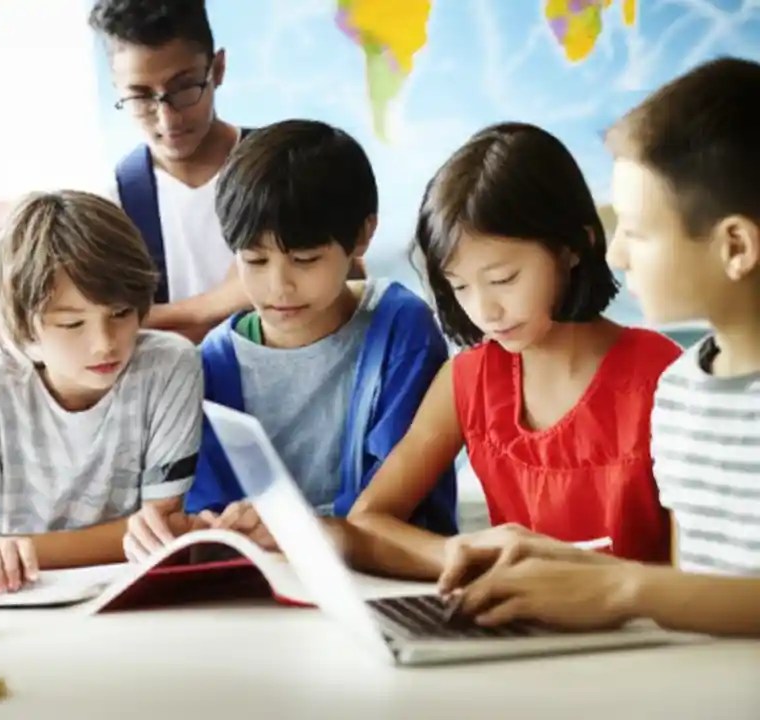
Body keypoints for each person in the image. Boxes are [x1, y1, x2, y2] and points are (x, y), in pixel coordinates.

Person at [442, 58, 760, 638]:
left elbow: (667, 591)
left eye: (636, 232)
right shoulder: (683, 392)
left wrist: (621, 588)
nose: (615, 257)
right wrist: (566, 568)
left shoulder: (655, 376)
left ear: (735, 245)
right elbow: (697, 589)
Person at [343, 122, 683, 581]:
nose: (486, 310)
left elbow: (698, 575)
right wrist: (469, 554)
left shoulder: (664, 378)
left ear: (573, 247)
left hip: (651, 635)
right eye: (460, 286)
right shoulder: (468, 379)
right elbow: (367, 519)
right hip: (521, 631)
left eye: (503, 279)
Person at [124, 120, 456, 559]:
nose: (279, 287)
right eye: (255, 260)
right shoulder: (209, 365)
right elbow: (208, 517)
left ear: (361, 235)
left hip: (383, 582)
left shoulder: (401, 331)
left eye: (305, 259)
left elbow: (393, 511)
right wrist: (168, 529)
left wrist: (293, 530)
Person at [0, 191, 203, 593]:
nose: (105, 343)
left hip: (125, 593)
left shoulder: (168, 366)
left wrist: (19, 550)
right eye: (71, 325)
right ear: (26, 331)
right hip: (16, 599)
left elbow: (160, 526)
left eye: (120, 314)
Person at [87, 0, 252, 342]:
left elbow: (346, 278)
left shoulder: (284, 169)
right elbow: (103, 329)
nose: (168, 119)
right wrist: (226, 300)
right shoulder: (113, 206)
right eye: (141, 97)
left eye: (184, 88)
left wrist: (151, 317)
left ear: (217, 69)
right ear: (117, 90)